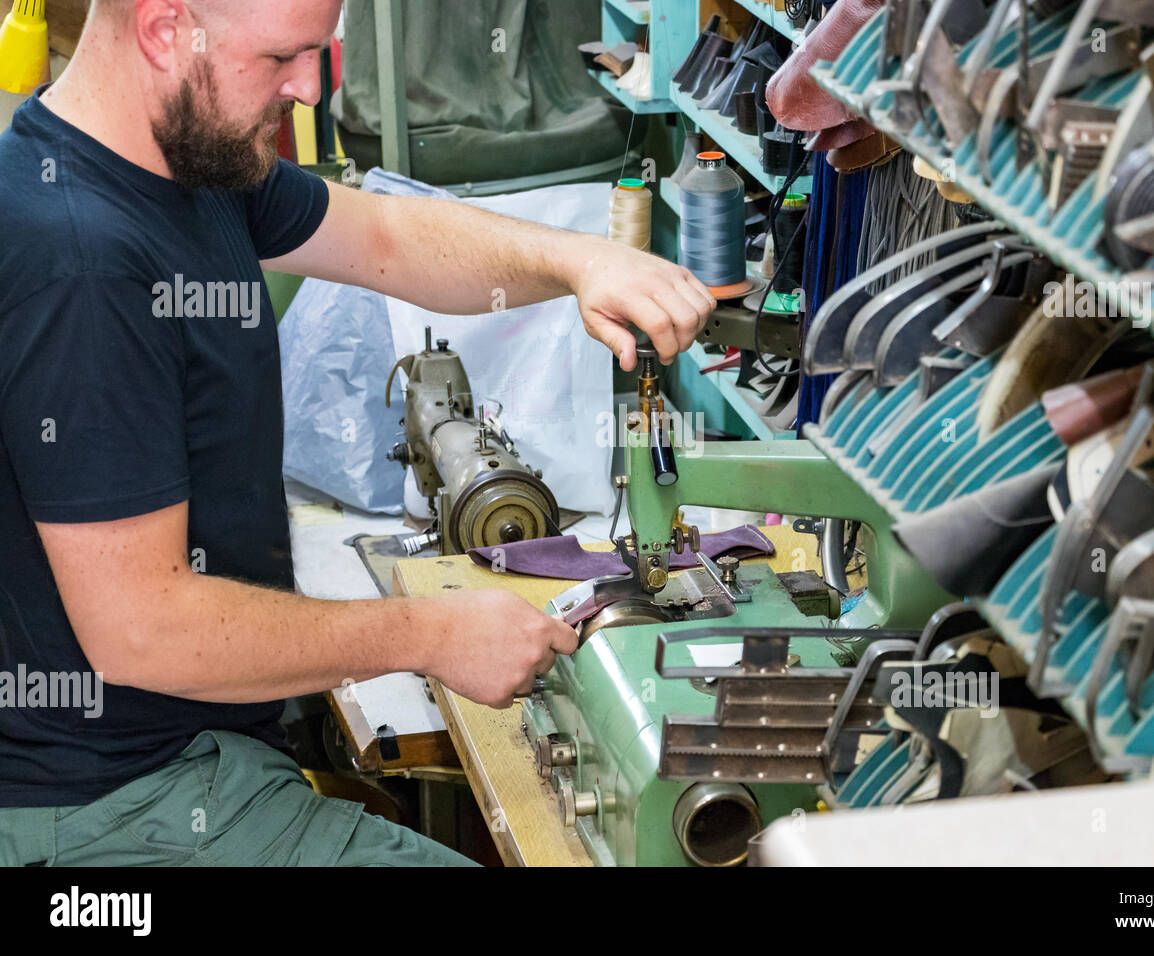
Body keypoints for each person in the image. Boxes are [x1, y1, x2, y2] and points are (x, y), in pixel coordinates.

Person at [0, 0, 714, 866]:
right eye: (283, 59)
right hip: (116, 803)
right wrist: (432, 635)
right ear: (162, 30)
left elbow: (385, 235)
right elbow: (145, 629)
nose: (308, 90)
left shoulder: (182, 161)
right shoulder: (81, 261)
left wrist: (580, 261)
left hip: (198, 749)